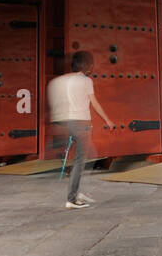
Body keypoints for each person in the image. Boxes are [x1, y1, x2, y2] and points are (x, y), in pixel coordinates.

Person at [47, 51, 115, 209]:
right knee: (81, 159)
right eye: (90, 64)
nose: (92, 67)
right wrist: (107, 120)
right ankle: (72, 198)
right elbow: (94, 103)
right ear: (86, 65)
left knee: (90, 155)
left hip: (64, 123)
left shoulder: (60, 81)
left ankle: (78, 190)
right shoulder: (86, 81)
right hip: (80, 123)